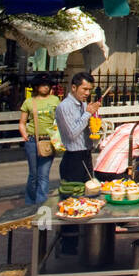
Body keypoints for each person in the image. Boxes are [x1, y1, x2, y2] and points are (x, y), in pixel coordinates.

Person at [54, 71, 100, 188]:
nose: (87, 93)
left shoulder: (83, 105)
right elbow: (72, 134)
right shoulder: (65, 107)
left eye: (89, 90)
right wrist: (87, 114)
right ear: (74, 87)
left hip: (86, 153)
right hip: (73, 157)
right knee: (74, 195)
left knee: (90, 190)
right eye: (84, 89)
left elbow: (86, 127)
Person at [18, 73, 58, 206]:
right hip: (32, 140)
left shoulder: (55, 100)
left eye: (48, 85)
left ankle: (41, 204)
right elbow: (22, 122)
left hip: (48, 141)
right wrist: (24, 135)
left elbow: (60, 119)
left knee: (43, 174)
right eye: (43, 85)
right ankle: (30, 202)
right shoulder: (29, 102)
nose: (46, 87)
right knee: (33, 174)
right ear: (36, 86)